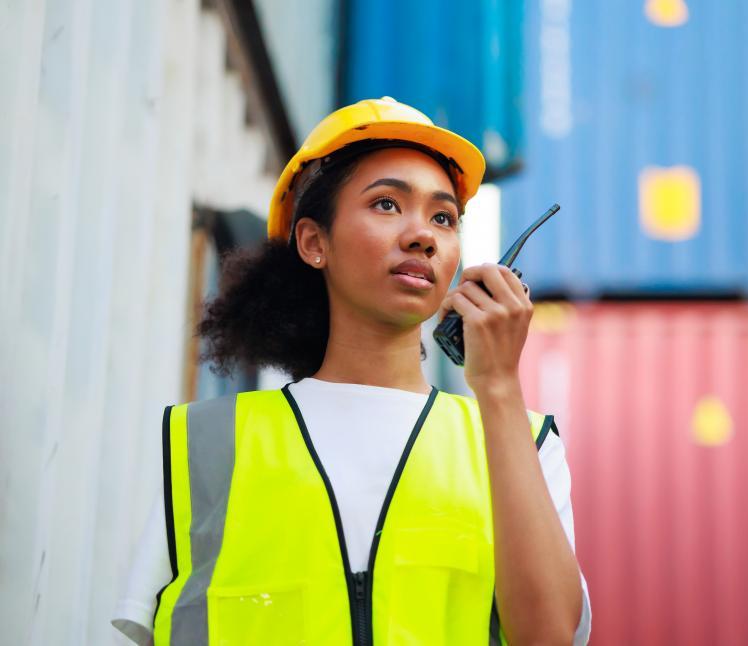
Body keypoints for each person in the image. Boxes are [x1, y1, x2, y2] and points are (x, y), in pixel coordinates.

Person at [111, 97, 591, 645]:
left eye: (443, 217)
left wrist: (499, 386)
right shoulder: (207, 444)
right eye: (387, 204)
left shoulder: (524, 441)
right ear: (315, 243)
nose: (423, 235)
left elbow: (549, 637)